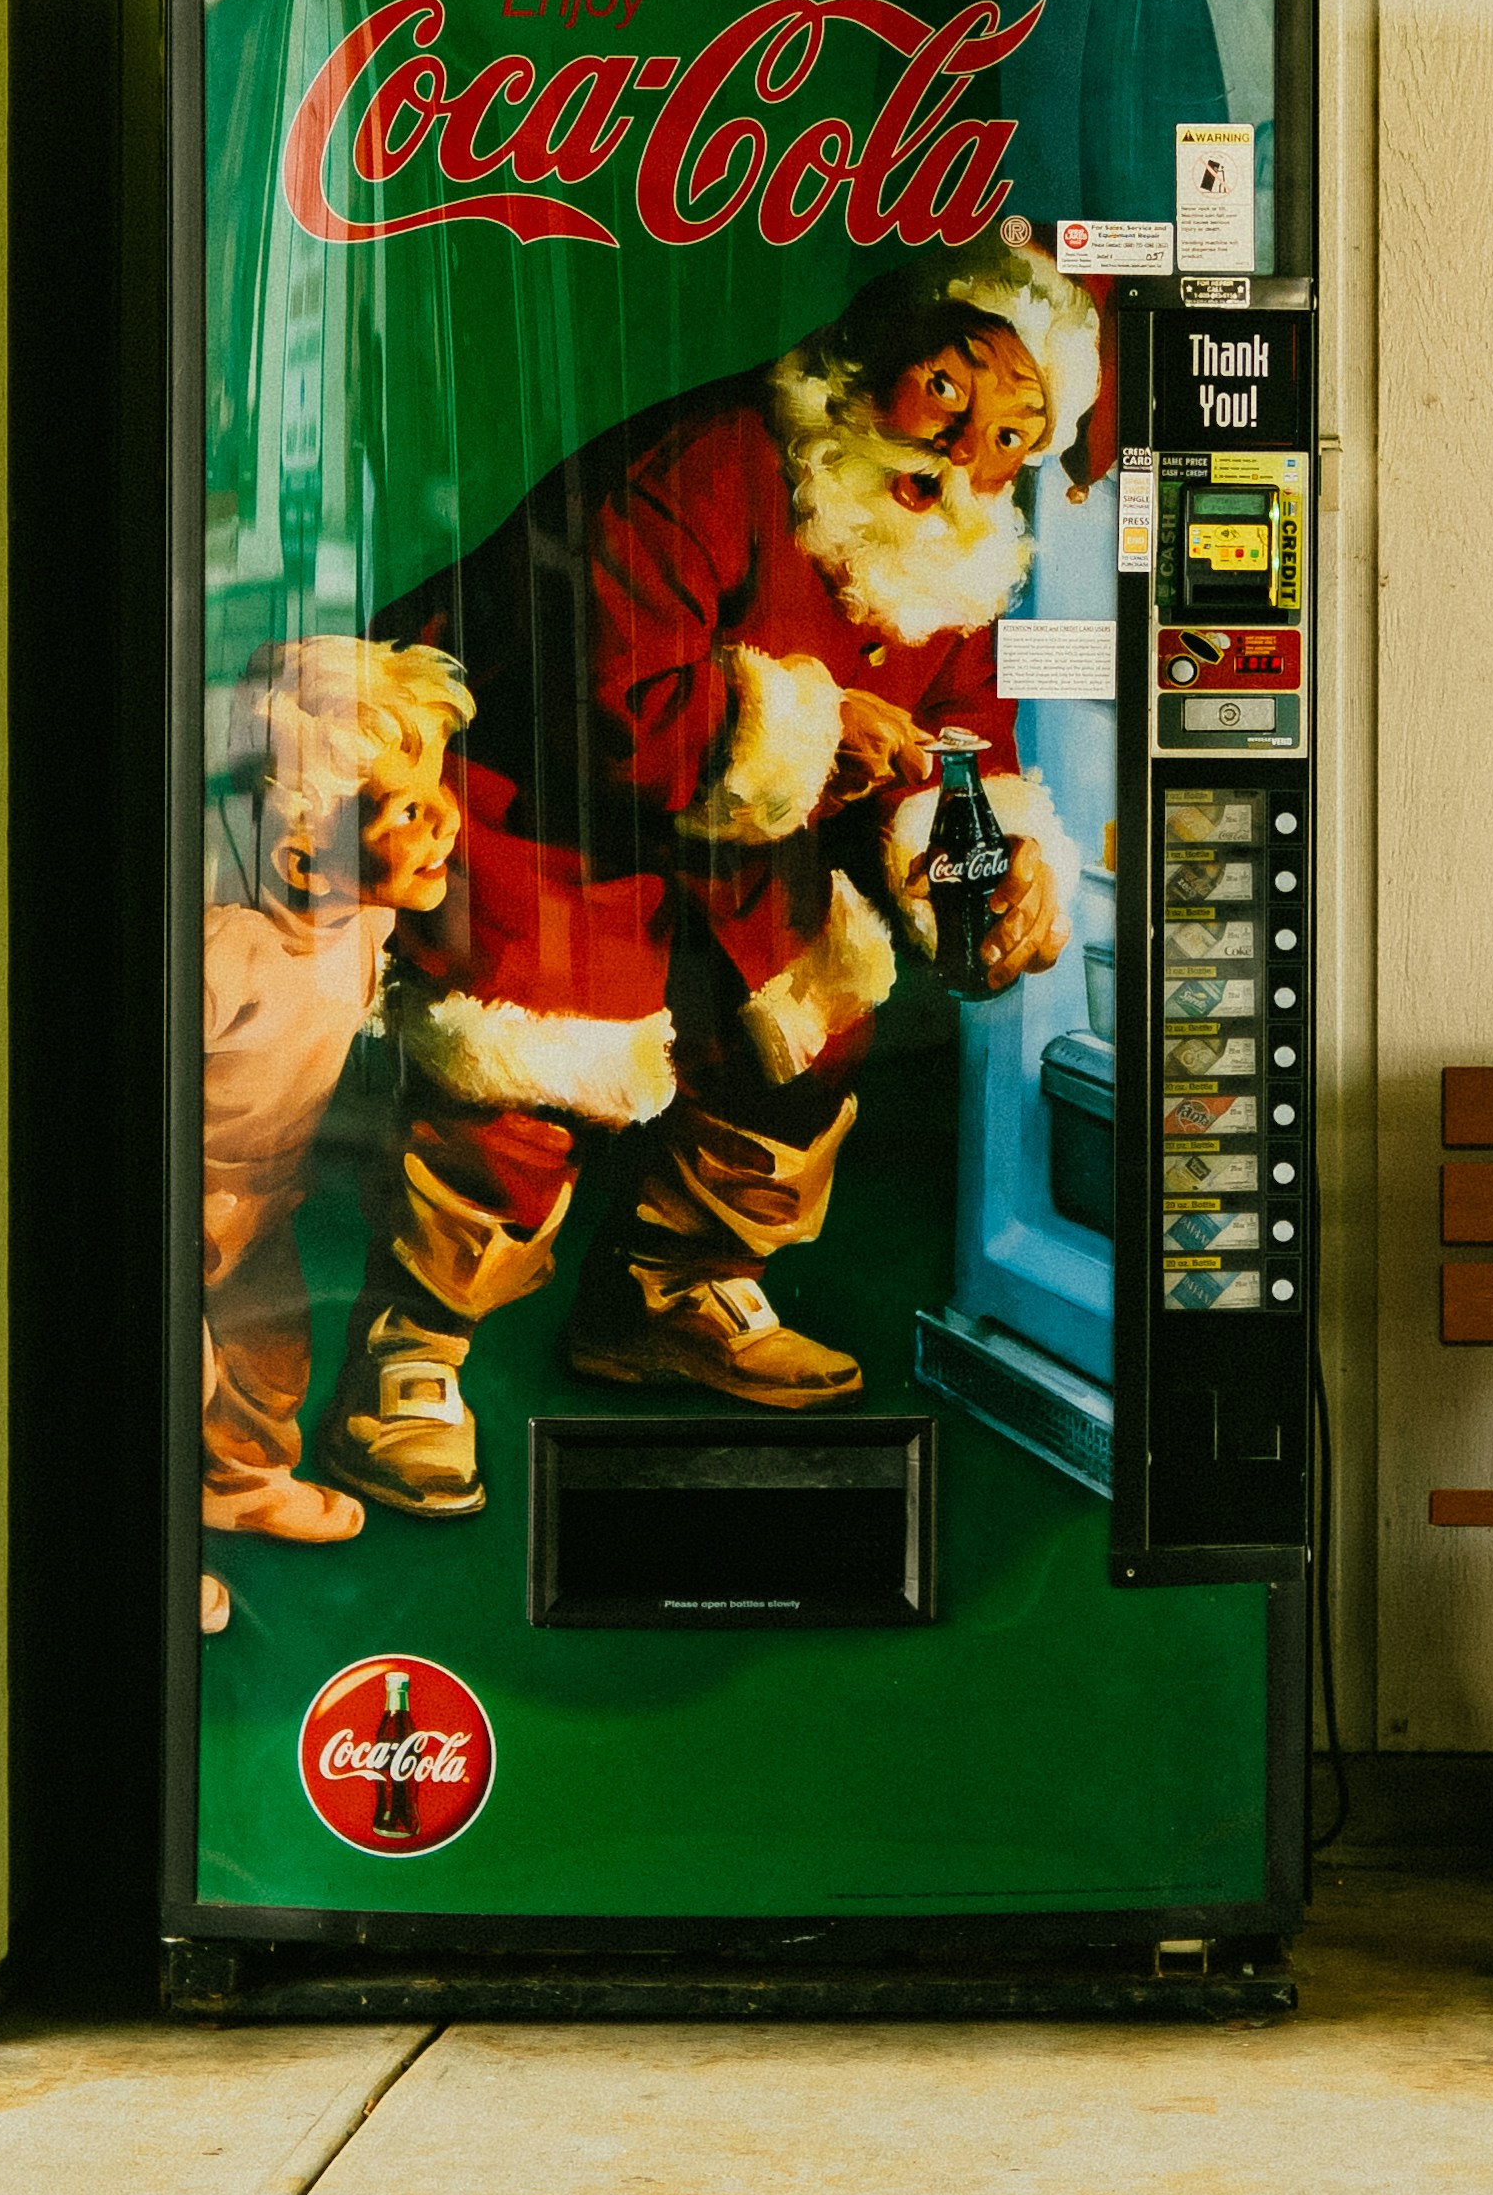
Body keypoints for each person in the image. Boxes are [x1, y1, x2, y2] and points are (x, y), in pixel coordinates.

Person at [326, 233, 1091, 1517]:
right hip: (533, 782)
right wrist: (815, 727)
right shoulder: (712, 459)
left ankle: (664, 1296)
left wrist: (985, 871)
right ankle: (412, 1352)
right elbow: (606, 700)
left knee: (805, 1030)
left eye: (1016, 431)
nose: (970, 455)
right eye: (950, 391)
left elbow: (959, 743)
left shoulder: (959, 550)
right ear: (867, 357)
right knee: (523, 1067)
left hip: (728, 820)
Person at [195, 636, 471, 1631]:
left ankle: (241, 1479)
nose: (445, 822)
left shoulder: (362, 920)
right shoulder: (229, 953)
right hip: (184, 1195)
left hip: (265, 1196)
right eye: (406, 810)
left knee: (268, 1352)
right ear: (301, 856)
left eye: (437, 790)